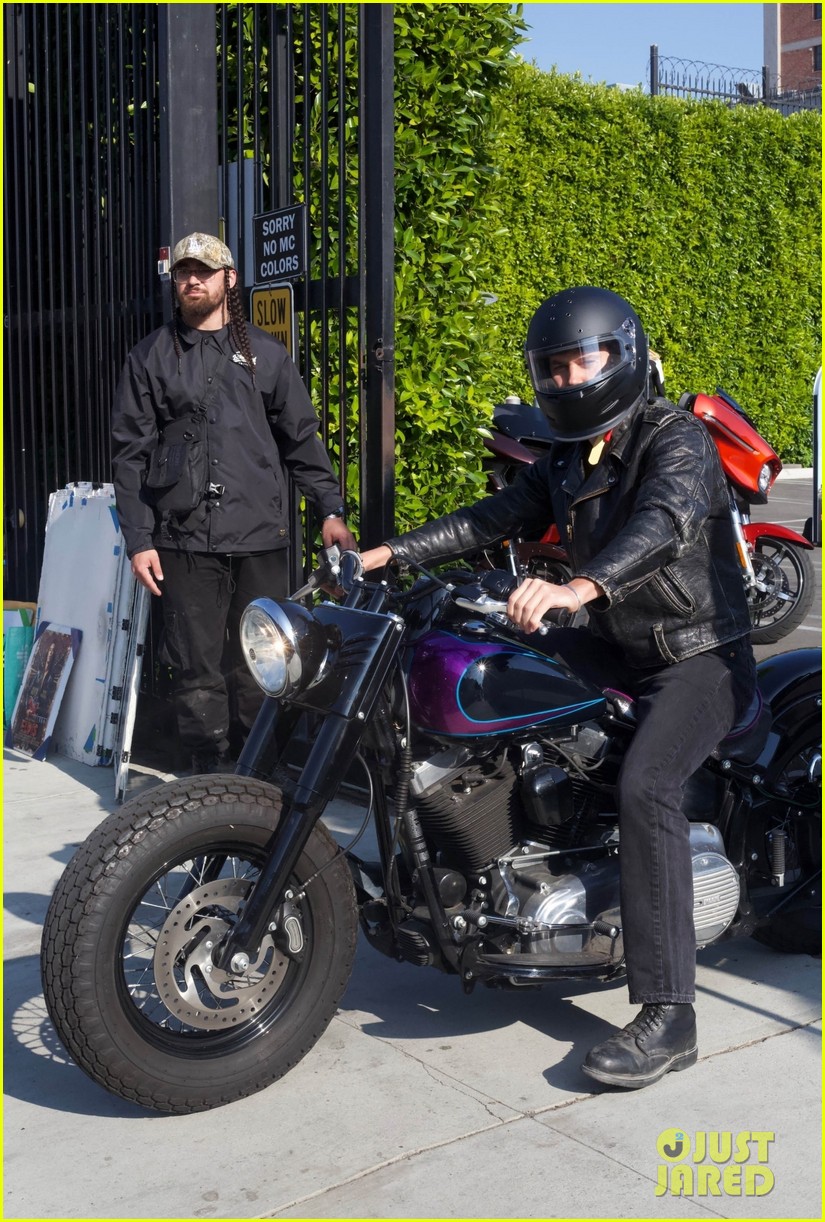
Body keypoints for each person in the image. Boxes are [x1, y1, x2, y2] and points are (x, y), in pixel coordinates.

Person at [360, 285, 756, 1090]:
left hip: (696, 654)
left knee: (647, 786)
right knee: (493, 676)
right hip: (611, 646)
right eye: (555, 366)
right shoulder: (569, 456)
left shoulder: (673, 437)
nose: (571, 378)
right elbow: (492, 516)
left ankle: (668, 1013)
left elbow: (665, 524)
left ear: (620, 354)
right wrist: (389, 557)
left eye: (583, 359)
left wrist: (581, 588)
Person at [112, 232, 356, 773]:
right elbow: (129, 456)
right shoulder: (150, 357)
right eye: (182, 272)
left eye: (204, 270)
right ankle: (208, 780)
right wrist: (139, 540)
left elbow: (302, 439)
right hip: (182, 541)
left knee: (262, 664)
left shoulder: (265, 355)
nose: (192, 280)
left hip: (258, 538)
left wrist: (331, 511)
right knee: (195, 669)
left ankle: (260, 776)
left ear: (229, 279)